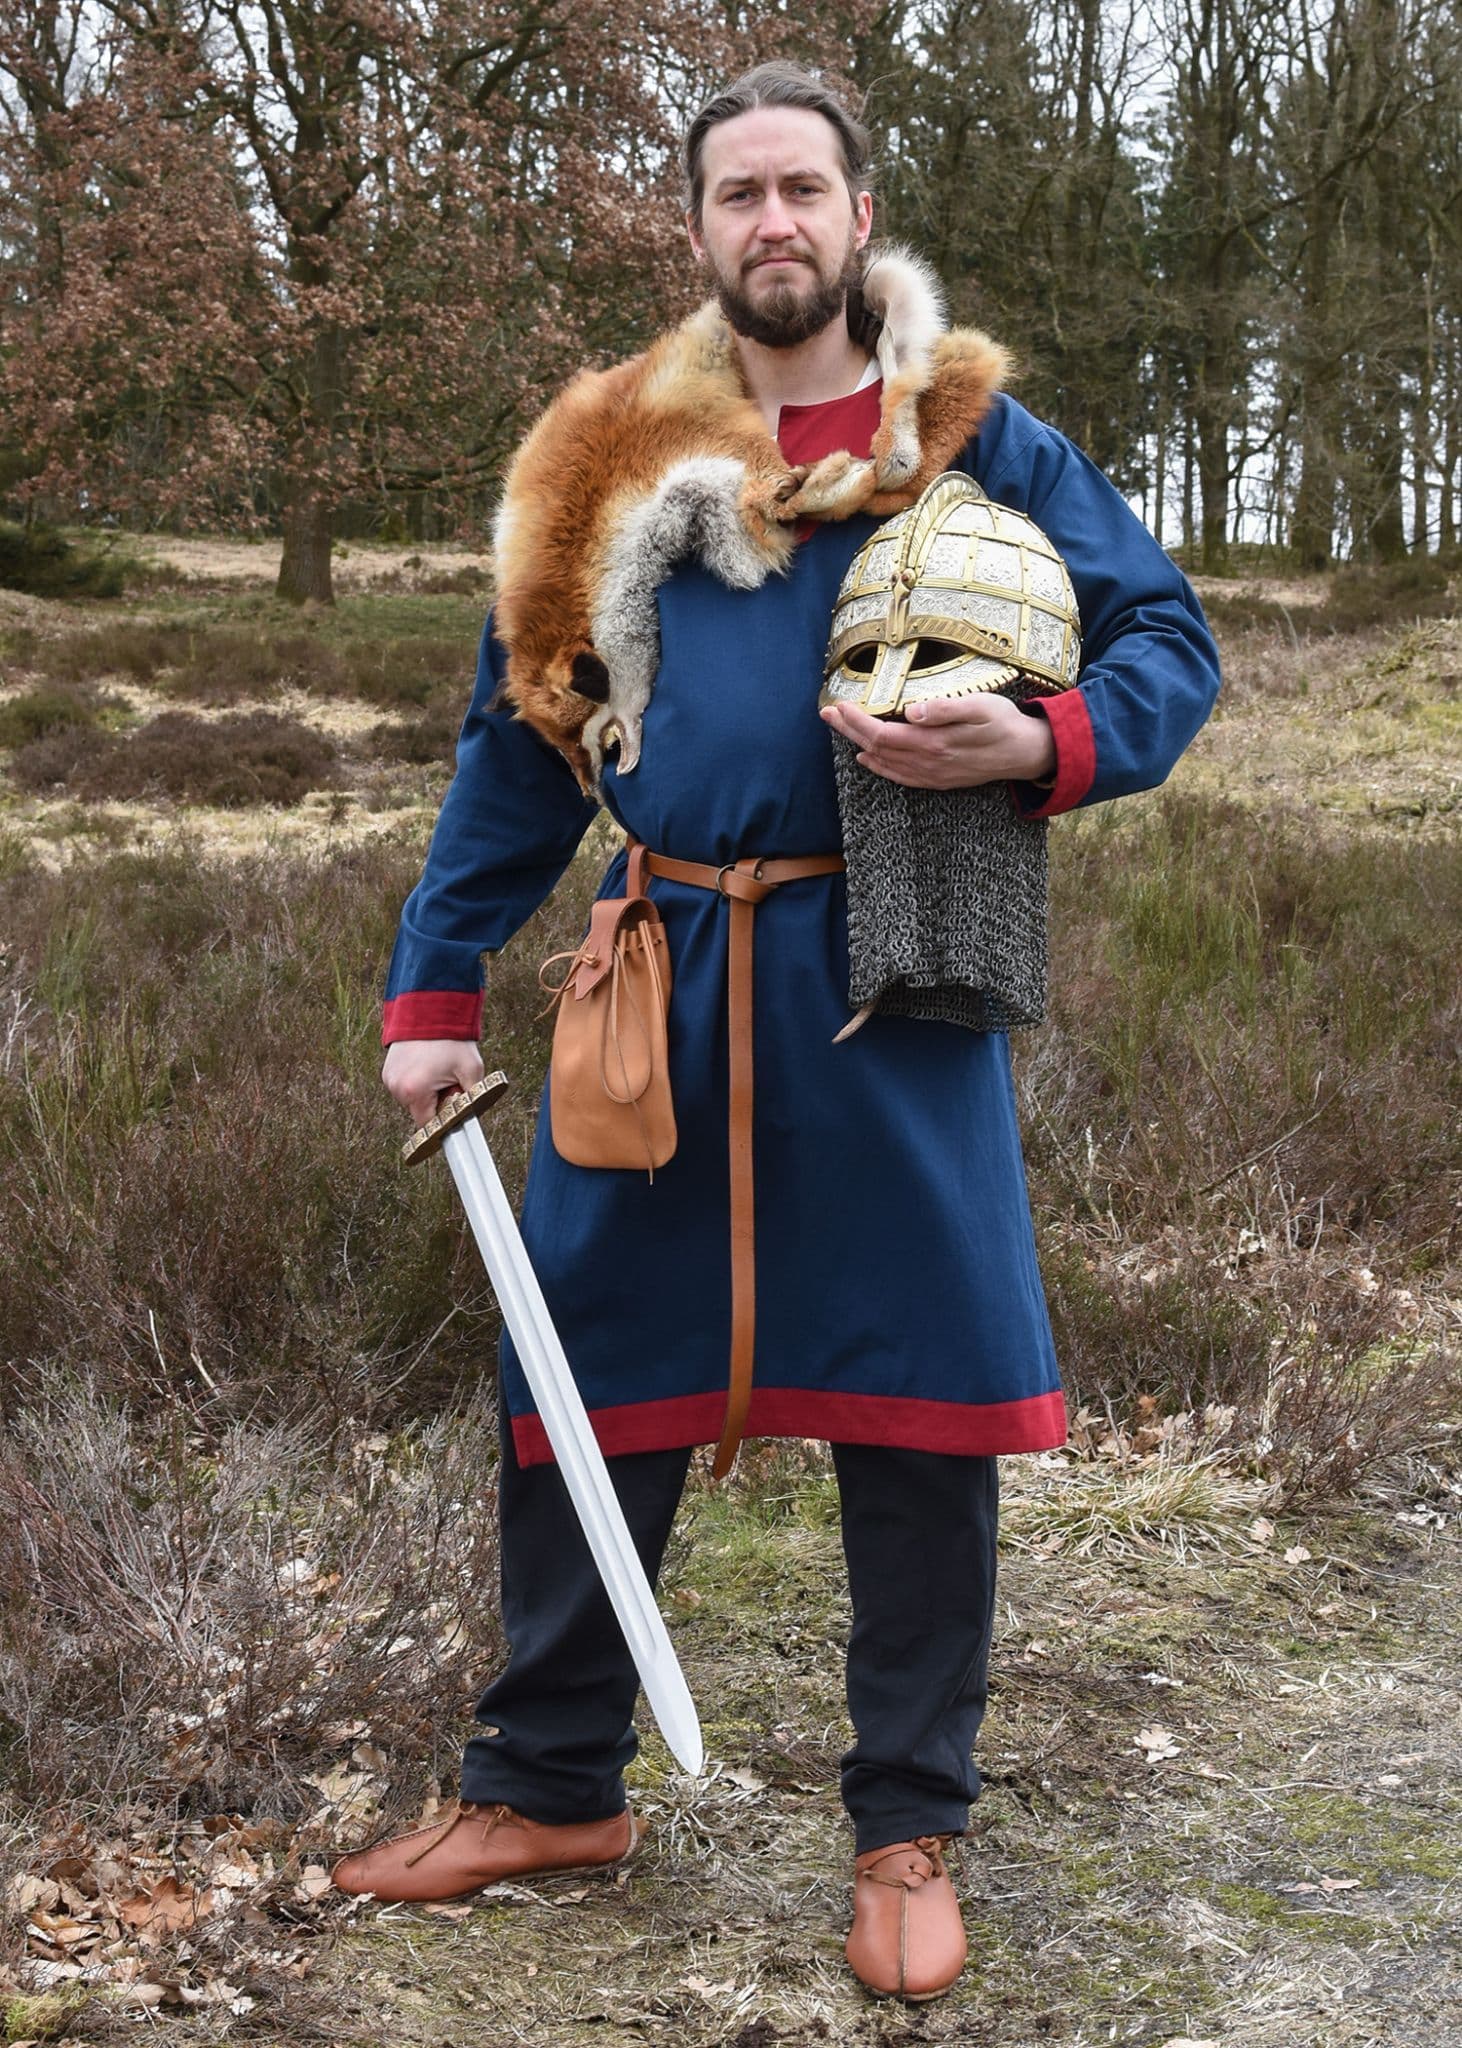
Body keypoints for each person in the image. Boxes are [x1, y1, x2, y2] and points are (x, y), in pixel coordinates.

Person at [332, 61, 1220, 2004]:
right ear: (699, 225)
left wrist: (1042, 742)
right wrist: (429, 980)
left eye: (799, 188)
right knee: (578, 1372)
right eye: (735, 192)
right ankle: (549, 1779)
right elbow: (522, 739)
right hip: (655, 975)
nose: (770, 223)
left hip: (887, 977)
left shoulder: (975, 436)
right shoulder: (601, 459)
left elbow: (1167, 639)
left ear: (853, 208)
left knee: (918, 1410)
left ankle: (905, 1824)